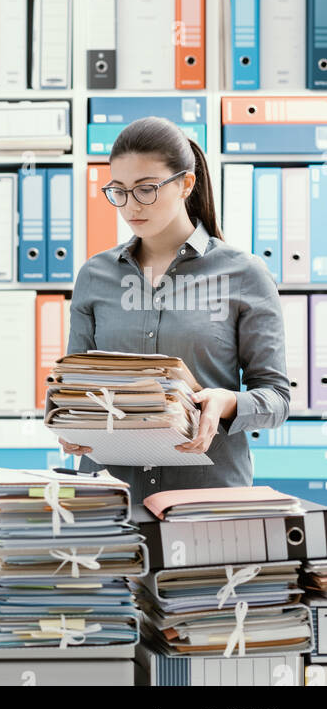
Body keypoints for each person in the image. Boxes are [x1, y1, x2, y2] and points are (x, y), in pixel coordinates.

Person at [57, 117, 290, 502]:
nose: (131, 205)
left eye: (147, 189)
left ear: (185, 183)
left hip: (206, 501)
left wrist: (228, 402)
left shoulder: (243, 273)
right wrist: (72, 421)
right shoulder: (95, 275)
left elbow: (277, 399)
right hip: (110, 501)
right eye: (119, 191)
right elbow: (76, 384)